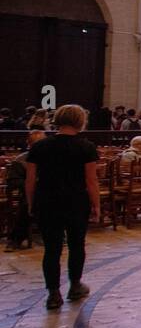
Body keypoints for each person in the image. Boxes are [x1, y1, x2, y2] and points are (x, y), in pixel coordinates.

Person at [24, 105, 99, 310]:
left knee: (52, 249)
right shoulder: (86, 147)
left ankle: (53, 293)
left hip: (47, 201)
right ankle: (75, 285)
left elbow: (30, 180)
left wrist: (31, 203)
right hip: (76, 201)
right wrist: (97, 205)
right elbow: (91, 181)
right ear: (80, 121)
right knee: (76, 245)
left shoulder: (39, 146)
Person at [4, 129, 43, 251]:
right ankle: (15, 239)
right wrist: (32, 184)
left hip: (49, 192)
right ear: (29, 144)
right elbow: (13, 181)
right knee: (28, 204)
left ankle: (58, 235)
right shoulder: (21, 160)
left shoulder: (52, 158)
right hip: (28, 193)